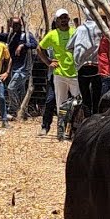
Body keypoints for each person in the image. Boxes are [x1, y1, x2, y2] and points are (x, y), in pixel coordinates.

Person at [38, 9, 78, 138]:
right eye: (61, 18)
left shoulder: (75, 32)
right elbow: (39, 48)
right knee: (61, 103)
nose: (64, 20)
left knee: (77, 103)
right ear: (57, 20)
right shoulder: (52, 34)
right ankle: (61, 131)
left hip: (75, 73)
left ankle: (74, 130)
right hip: (59, 73)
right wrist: (48, 62)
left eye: (66, 17)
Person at [69, 12, 102, 117]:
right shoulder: (100, 28)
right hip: (97, 66)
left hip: (82, 67)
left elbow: (69, 46)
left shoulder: (80, 29)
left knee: (85, 96)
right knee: (97, 95)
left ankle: (88, 119)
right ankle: (96, 116)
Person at [4, 17, 37, 118]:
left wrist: (23, 46)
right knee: (20, 90)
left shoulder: (26, 35)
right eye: (13, 25)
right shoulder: (11, 36)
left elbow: (35, 44)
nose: (15, 27)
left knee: (11, 88)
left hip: (24, 68)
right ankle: (22, 112)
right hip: (14, 67)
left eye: (17, 24)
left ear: (21, 25)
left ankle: (14, 109)